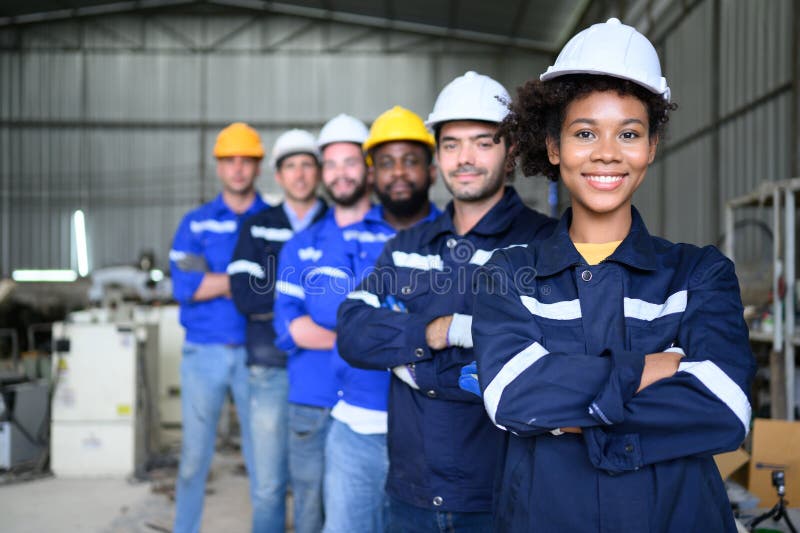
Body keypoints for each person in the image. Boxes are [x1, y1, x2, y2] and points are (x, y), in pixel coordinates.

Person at [468, 18, 756, 532]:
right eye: (584, 133)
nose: (607, 152)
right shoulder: (509, 274)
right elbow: (513, 396)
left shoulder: (700, 273)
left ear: (651, 147)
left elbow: (726, 408)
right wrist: (652, 368)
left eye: (629, 133)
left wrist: (570, 416)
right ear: (554, 148)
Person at [336, 71, 555, 532]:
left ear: (511, 149)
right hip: (411, 491)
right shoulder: (408, 244)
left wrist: (411, 365)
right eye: (452, 144)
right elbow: (353, 330)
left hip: (500, 494)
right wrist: (440, 331)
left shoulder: (543, 245)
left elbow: (548, 359)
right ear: (438, 155)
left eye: (483, 142)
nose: (466, 159)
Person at [323, 107, 440, 533]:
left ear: (431, 169)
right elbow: (335, 314)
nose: (399, 173)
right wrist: (420, 326)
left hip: (432, 432)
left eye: (411, 160)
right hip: (357, 423)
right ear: (372, 174)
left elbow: (458, 319)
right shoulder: (343, 233)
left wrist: (378, 321)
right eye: (386, 163)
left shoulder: (453, 236)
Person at [271, 114, 372, 533]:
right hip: (313, 401)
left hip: (376, 409)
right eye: (330, 164)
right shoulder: (302, 245)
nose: (339, 173)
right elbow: (290, 328)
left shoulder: (397, 237)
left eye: (350, 162)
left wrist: (334, 332)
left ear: (368, 167)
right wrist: (369, 333)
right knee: (310, 512)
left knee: (371, 514)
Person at [169, 122, 268, 533]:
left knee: (264, 463)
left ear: (259, 166)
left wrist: (219, 279)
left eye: (247, 160)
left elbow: (279, 284)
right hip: (204, 353)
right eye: (231, 160)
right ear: (219, 166)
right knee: (193, 459)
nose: (239, 168)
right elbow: (186, 285)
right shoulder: (197, 224)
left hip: (259, 355)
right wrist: (245, 281)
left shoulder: (273, 222)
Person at [228, 128, 327, 533]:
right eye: (291, 167)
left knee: (313, 485)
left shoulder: (333, 222)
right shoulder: (258, 226)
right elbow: (243, 296)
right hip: (269, 370)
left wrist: (283, 299)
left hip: (322, 371)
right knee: (268, 485)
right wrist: (307, 306)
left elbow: (345, 297)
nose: (300, 175)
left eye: (307, 165)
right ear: (279, 175)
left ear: (318, 173)